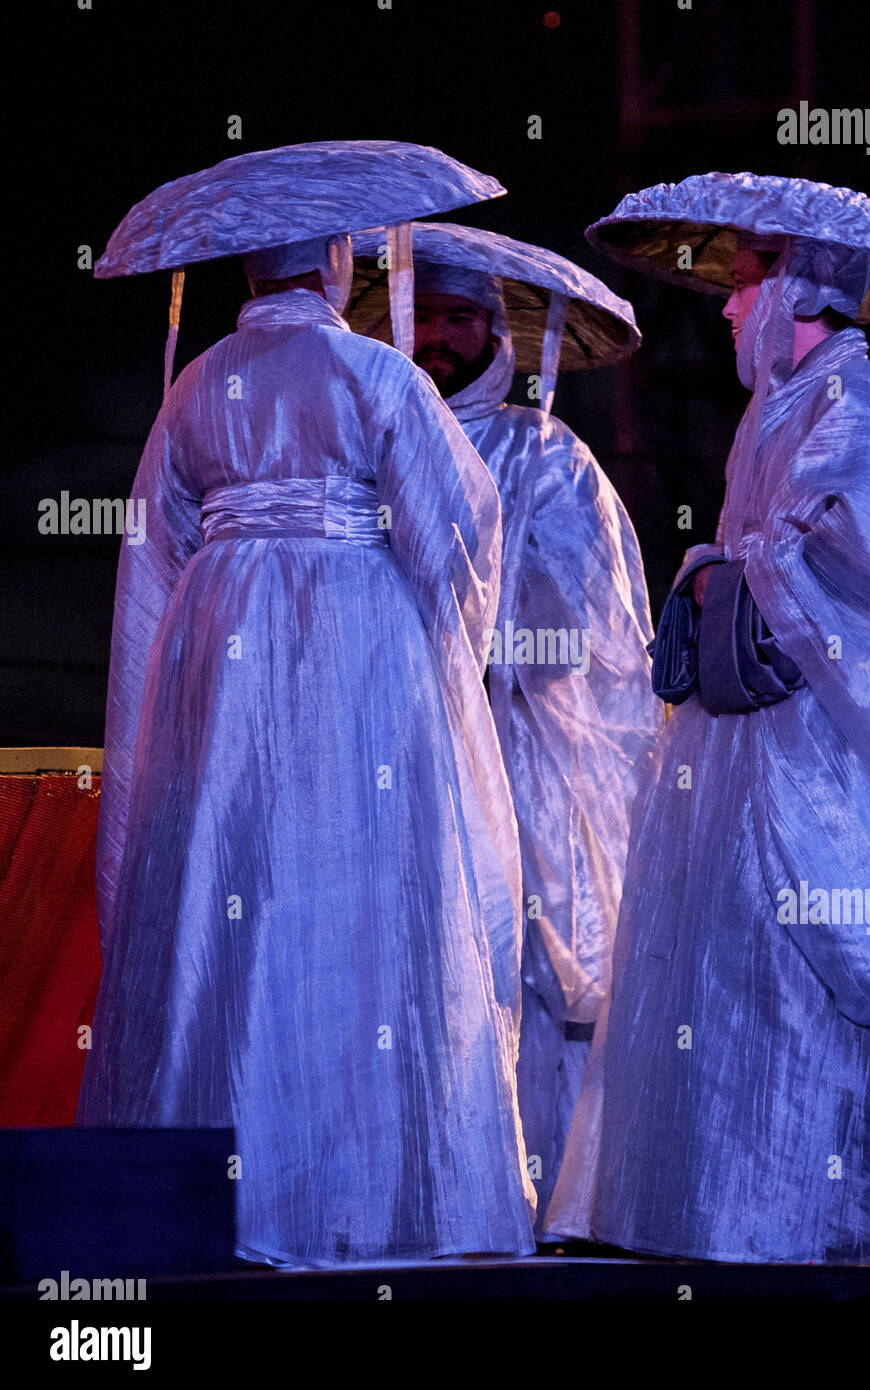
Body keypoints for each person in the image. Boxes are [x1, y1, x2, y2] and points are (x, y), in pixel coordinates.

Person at [546, 172, 870, 1264]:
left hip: (816, 736)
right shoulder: (778, 409)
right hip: (749, 737)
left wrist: (749, 572)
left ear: (800, 287)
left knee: (832, 953)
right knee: (742, 967)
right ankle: (738, 1206)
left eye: (746, 282)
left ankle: (854, 1216)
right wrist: (715, 571)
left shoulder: (859, 402)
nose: (730, 306)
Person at [77, 143, 537, 1267]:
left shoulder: (194, 389)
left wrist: (177, 670)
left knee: (221, 881)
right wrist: (442, 660)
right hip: (353, 647)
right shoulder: (380, 379)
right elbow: (460, 539)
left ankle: (209, 1195)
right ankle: (366, 1191)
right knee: (359, 893)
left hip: (216, 649)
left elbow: (152, 555)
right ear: (339, 259)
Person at [348, 225, 664, 1232]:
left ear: (494, 332)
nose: (438, 338)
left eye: (458, 318)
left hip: (516, 760)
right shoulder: (367, 441)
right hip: (392, 754)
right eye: (424, 316)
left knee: (519, 970)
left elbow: (601, 631)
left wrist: (497, 640)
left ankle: (550, 1206)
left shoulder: (550, 457)